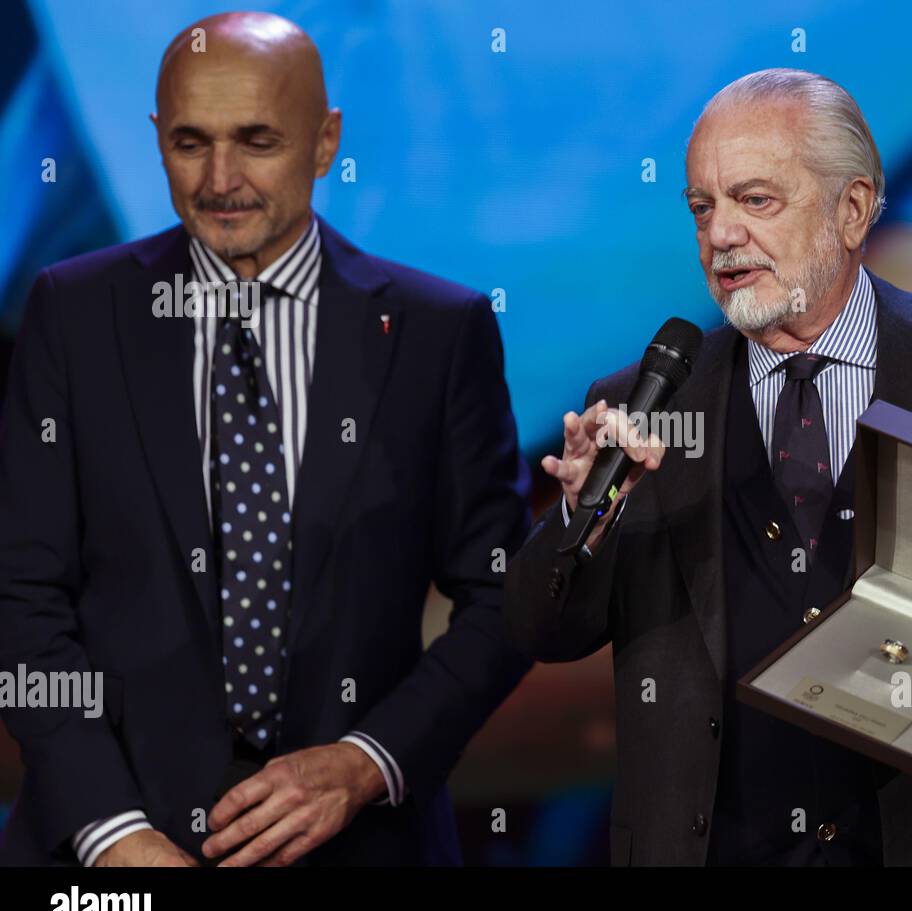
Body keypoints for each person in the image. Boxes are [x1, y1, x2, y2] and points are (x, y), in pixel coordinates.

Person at [505, 68, 912, 865]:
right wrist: (580, 516)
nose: (720, 237)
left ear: (851, 210)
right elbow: (543, 629)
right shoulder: (643, 407)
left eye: (756, 201)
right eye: (701, 208)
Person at [0, 12, 531, 866]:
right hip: (105, 857)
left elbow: (505, 599)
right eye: (189, 142)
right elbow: (21, 598)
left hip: (362, 845)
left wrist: (366, 764)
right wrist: (114, 834)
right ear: (155, 139)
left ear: (325, 142)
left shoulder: (438, 331)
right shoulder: (73, 312)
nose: (220, 179)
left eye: (256, 140)